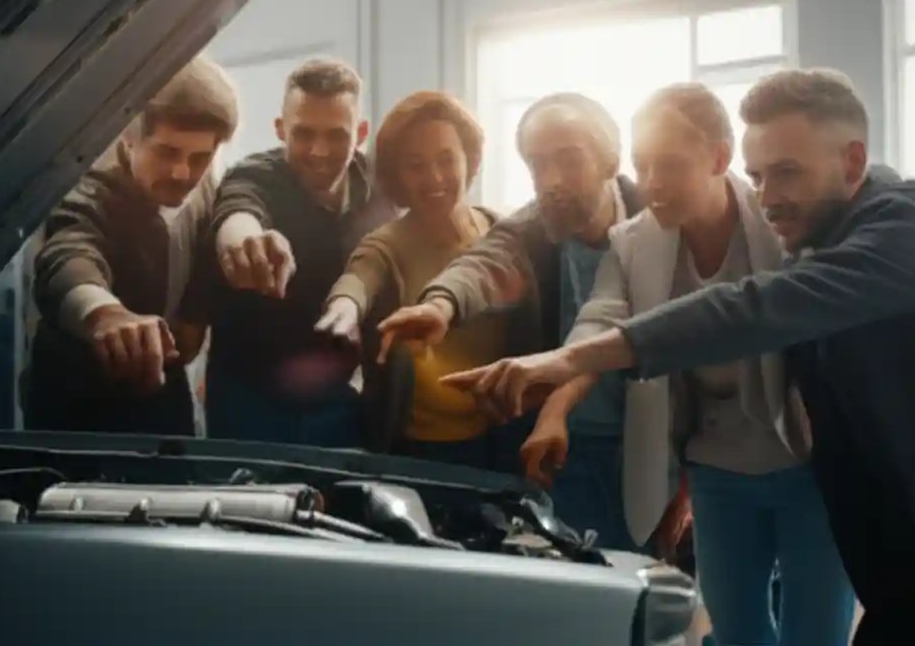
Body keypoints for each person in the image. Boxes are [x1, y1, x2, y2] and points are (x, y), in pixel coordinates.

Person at [441, 68, 915, 645]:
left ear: (852, 161)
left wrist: (564, 362)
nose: (767, 195)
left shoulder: (909, 227)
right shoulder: (818, 233)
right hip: (909, 527)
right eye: (760, 173)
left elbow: (754, 307)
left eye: (789, 172)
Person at [519, 83, 853, 645]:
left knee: (815, 633)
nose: (651, 183)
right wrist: (553, 408)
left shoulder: (786, 228)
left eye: (670, 165)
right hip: (717, 470)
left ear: (721, 158)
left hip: (808, 465)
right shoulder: (632, 243)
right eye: (643, 165)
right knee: (738, 630)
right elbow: (598, 326)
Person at [378, 92, 645, 549]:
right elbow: (484, 263)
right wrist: (440, 304)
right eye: (537, 165)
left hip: (643, 439)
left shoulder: (654, 221)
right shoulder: (535, 226)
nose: (552, 180)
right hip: (560, 445)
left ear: (611, 160)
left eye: (569, 160)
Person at [178, 58, 397, 447]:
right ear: (281, 130)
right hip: (247, 398)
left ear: (361, 133)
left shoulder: (380, 192)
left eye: (336, 135)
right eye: (304, 133)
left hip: (340, 400)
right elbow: (238, 210)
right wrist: (247, 241)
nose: (319, 151)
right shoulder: (254, 175)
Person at [27, 56, 237, 435]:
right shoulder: (88, 185)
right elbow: (69, 252)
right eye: (167, 152)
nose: (182, 173)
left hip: (166, 389)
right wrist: (103, 314)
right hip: (76, 407)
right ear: (128, 136)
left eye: (200, 157)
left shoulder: (207, 184)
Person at [315, 91, 511, 466]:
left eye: (445, 160)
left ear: (469, 159)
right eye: (416, 165)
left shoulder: (500, 229)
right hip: (420, 448)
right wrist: (343, 309)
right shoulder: (388, 243)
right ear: (397, 175)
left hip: (502, 436)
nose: (434, 177)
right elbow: (359, 277)